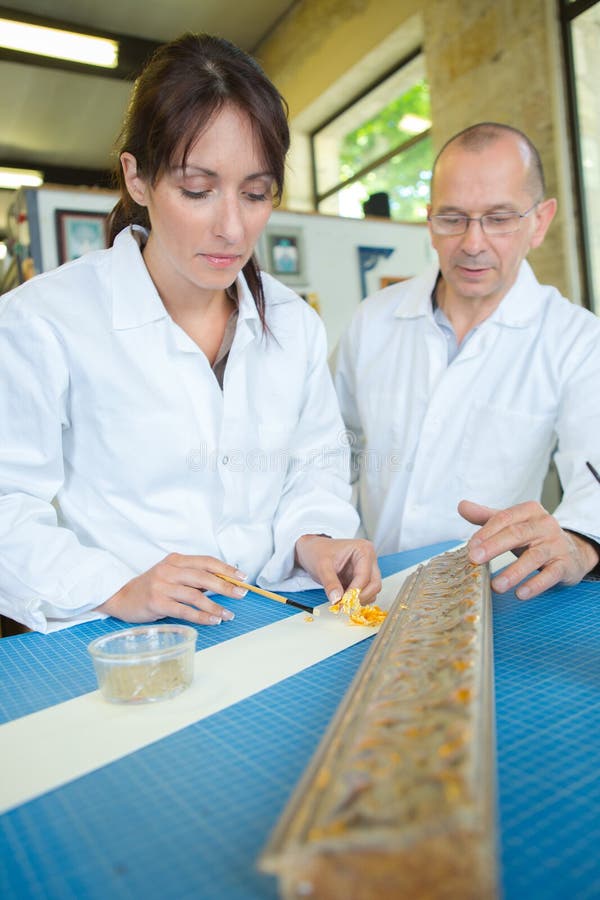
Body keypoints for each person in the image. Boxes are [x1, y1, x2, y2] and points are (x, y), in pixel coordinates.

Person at [0, 33, 380, 633]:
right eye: (198, 191)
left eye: (255, 193)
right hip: (126, 639)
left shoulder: (293, 326)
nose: (232, 227)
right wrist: (119, 586)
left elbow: (316, 469)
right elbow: (6, 505)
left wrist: (318, 541)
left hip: (272, 622)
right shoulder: (45, 321)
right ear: (138, 179)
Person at [335, 122, 600, 601]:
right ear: (429, 220)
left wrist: (579, 542)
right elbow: (332, 449)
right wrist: (325, 533)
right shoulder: (372, 320)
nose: (473, 243)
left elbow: (597, 473)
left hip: (495, 596)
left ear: (539, 222)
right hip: (371, 590)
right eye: (453, 219)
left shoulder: (575, 338)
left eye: (499, 219)